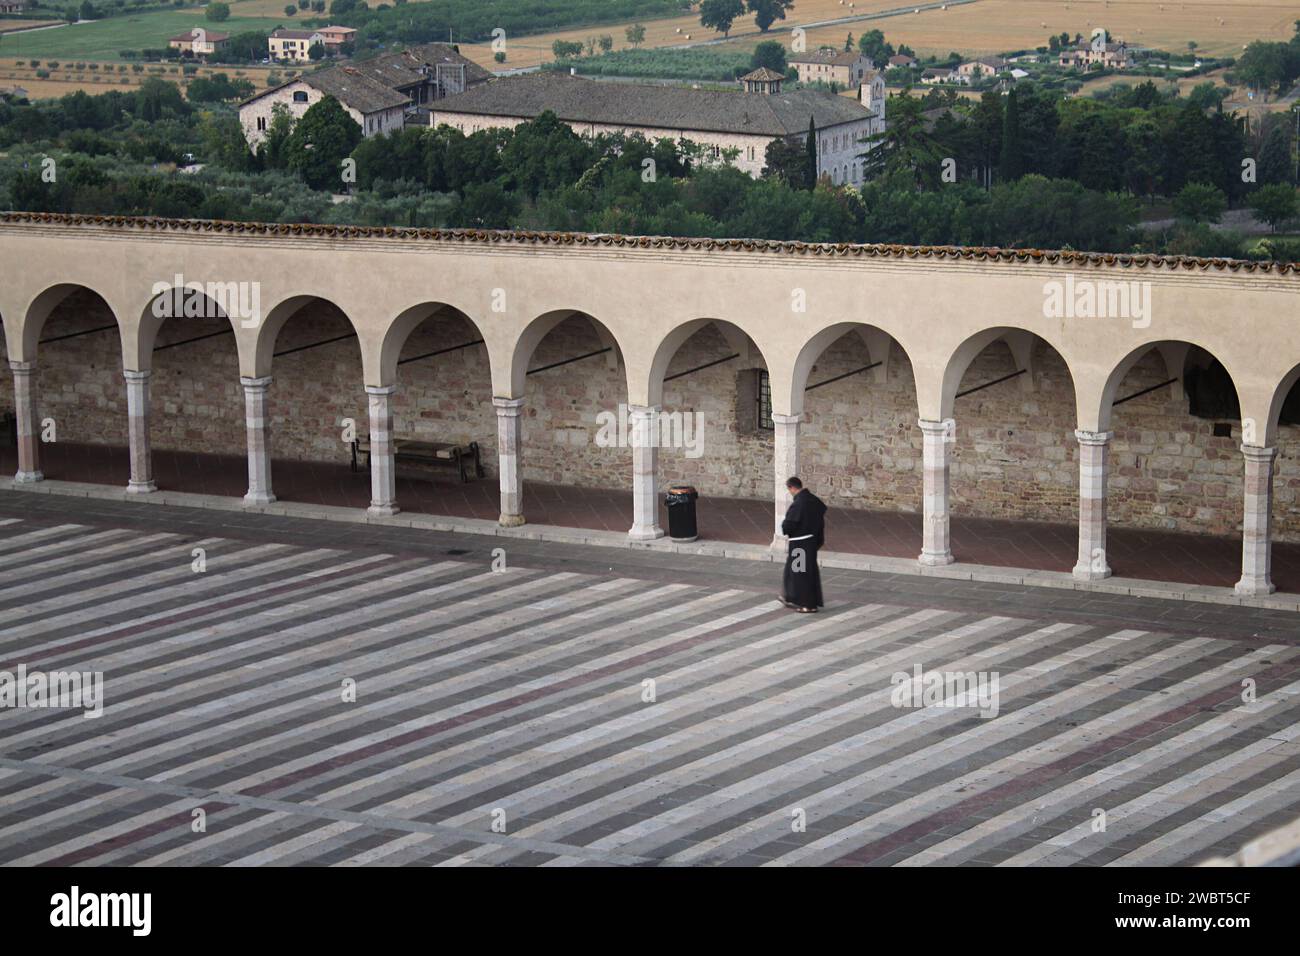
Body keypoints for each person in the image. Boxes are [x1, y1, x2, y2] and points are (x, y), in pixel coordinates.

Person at [779, 476, 826, 613]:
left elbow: (789, 525)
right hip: (810, 542)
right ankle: (793, 598)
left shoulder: (799, 503)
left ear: (791, 488)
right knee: (805, 572)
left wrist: (784, 526)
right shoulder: (813, 501)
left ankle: (806, 604)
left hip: (799, 545)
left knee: (799, 573)